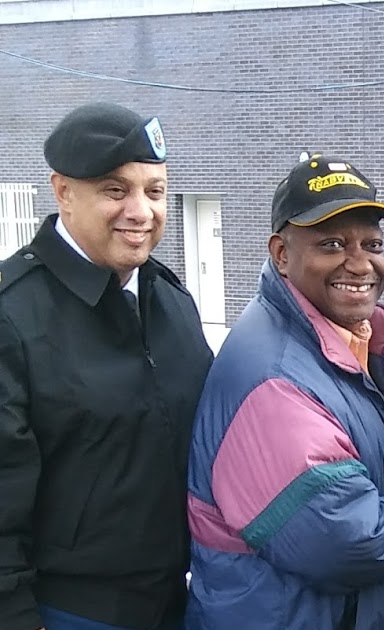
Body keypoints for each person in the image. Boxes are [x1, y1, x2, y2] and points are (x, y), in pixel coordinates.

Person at [185, 155, 384, 629]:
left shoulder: (336, 339)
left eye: (372, 243)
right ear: (281, 253)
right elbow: (347, 540)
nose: (360, 264)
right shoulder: (275, 377)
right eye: (332, 244)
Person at [0, 103, 214, 630]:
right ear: (63, 192)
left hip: (178, 599)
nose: (141, 211)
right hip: (70, 610)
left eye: (156, 191)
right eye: (116, 190)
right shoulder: (13, 314)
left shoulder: (169, 298)